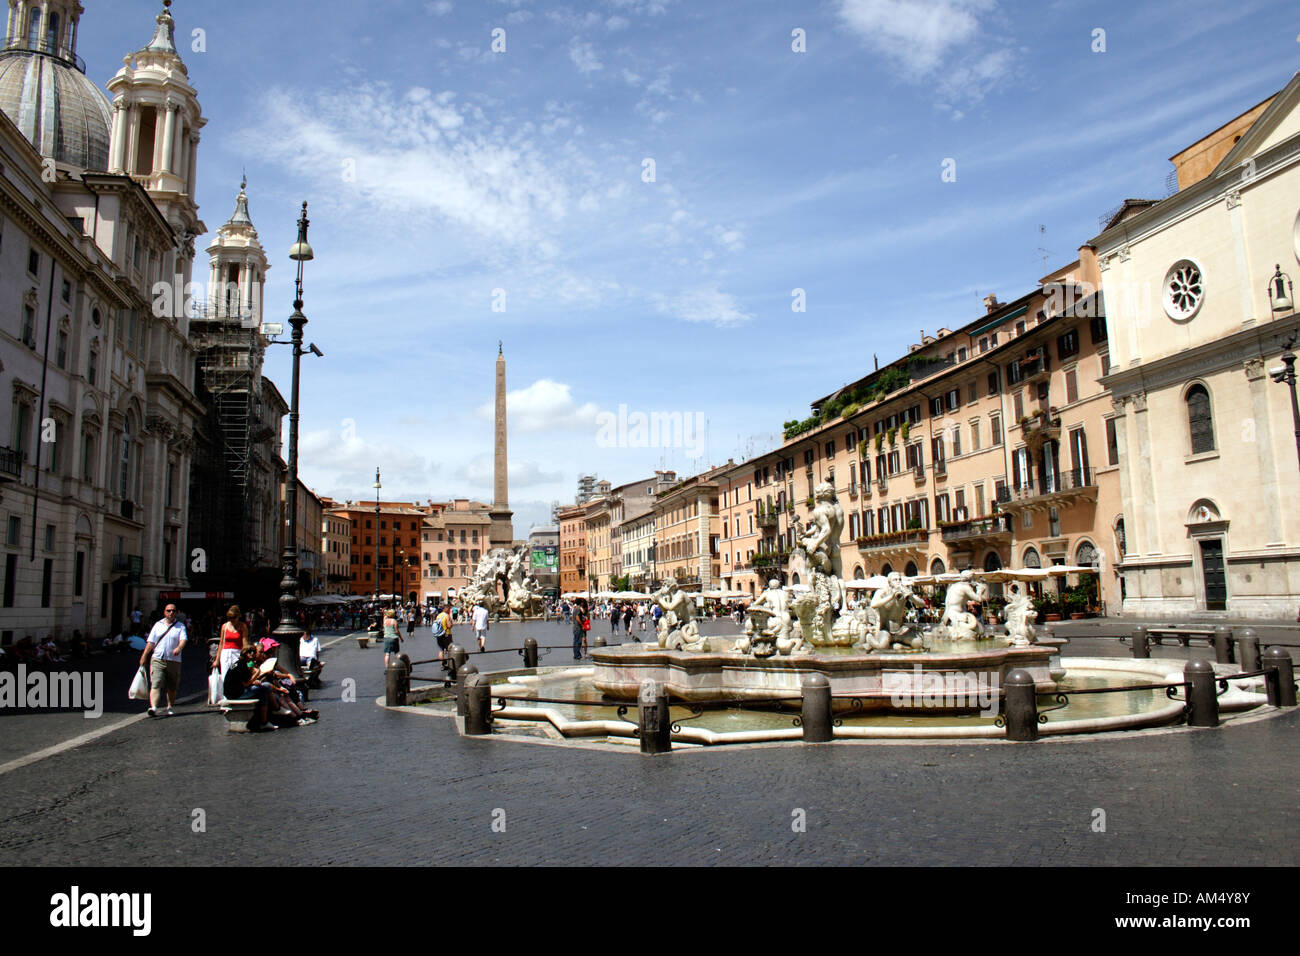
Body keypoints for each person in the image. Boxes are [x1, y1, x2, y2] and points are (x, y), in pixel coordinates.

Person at [140, 603, 187, 717]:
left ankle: (170, 706)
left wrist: (179, 648)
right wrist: (144, 656)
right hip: (158, 658)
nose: (171, 613)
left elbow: (183, 639)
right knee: (156, 683)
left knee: (172, 686)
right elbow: (151, 642)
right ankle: (154, 707)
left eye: (173, 611)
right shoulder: (158, 625)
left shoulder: (180, 626)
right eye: (168, 610)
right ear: (164, 612)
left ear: (176, 613)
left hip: (173, 660)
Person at [214, 605, 249, 679]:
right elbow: (221, 644)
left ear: (238, 616)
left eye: (233, 618)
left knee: (235, 675)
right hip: (225, 654)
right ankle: (225, 690)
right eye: (229, 618)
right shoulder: (224, 626)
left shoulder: (243, 626)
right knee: (225, 676)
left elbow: (245, 642)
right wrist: (217, 660)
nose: (231, 620)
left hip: (237, 654)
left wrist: (245, 657)